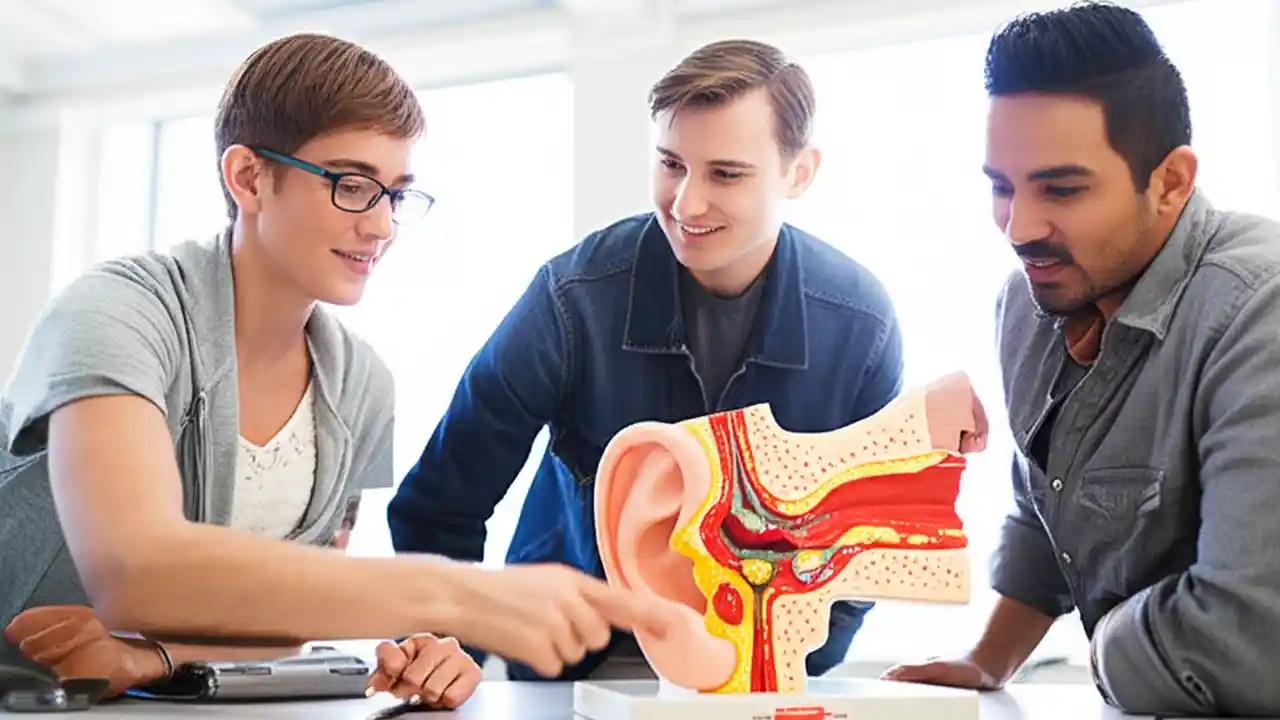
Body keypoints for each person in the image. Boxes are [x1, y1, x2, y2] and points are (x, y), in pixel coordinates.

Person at [0, 32, 672, 706]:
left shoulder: (359, 385)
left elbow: (288, 617)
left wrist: (152, 658)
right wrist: (462, 594)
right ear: (248, 177)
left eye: (396, 194)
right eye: (352, 185)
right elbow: (133, 569)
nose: (382, 226)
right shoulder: (115, 314)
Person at [389, 38, 904, 681]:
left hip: (767, 675)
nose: (686, 203)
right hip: (576, 672)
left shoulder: (862, 323)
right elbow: (439, 504)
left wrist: (803, 653)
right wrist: (446, 652)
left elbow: (873, 534)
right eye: (670, 163)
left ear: (798, 172)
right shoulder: (570, 300)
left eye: (726, 173)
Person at [882, 3, 1280, 716]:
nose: (1019, 228)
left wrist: (1101, 651)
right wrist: (987, 660)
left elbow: (1248, 643)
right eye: (1002, 186)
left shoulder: (1260, 314)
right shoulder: (1031, 302)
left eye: (1061, 189)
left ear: (1171, 181)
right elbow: (1048, 498)